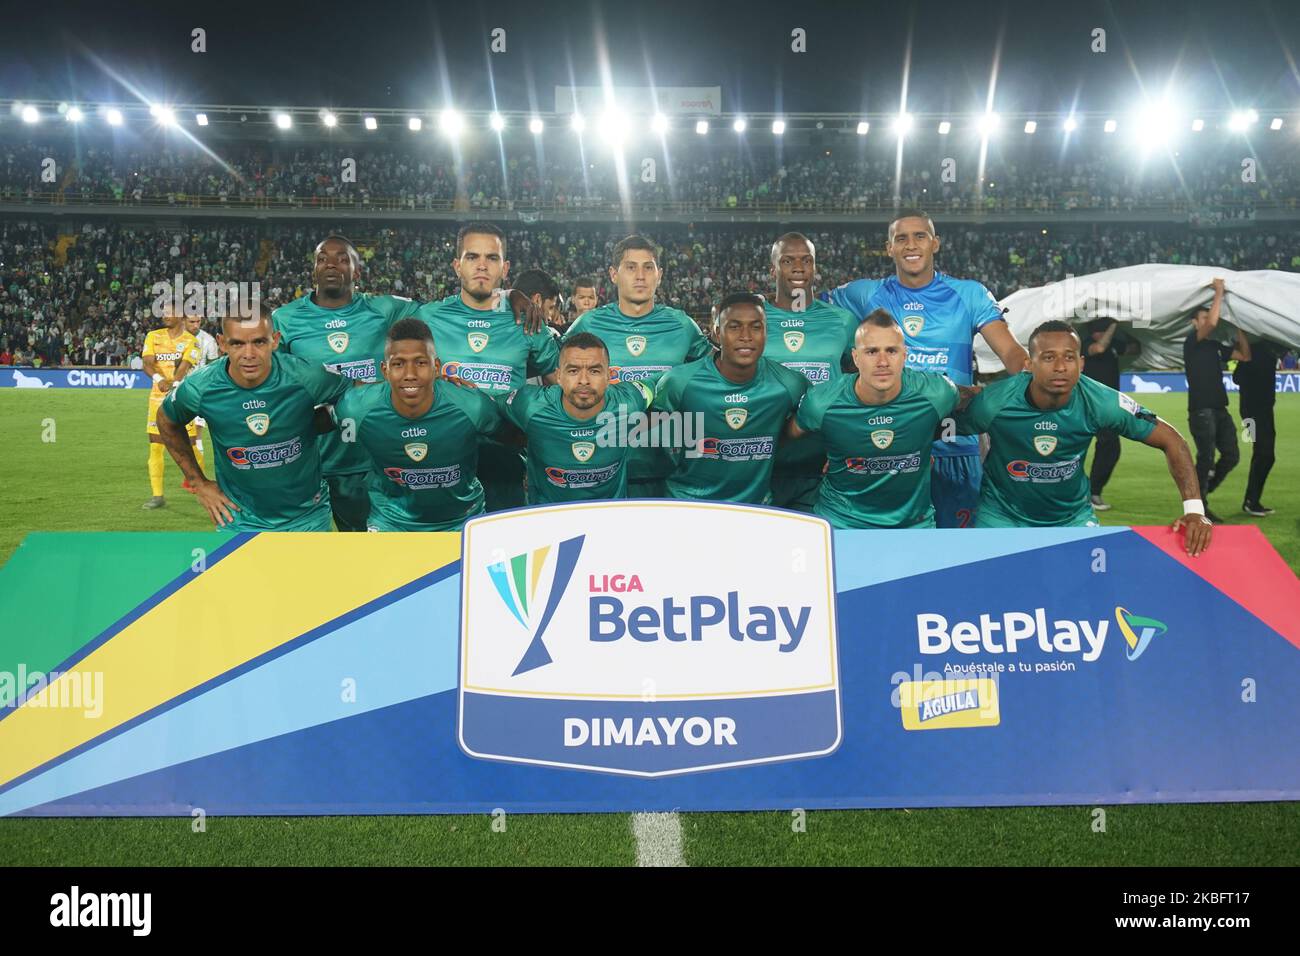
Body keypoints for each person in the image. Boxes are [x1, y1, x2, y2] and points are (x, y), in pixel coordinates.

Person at [828, 209, 1030, 527]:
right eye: (901, 238)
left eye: (920, 236)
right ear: (889, 248)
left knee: (956, 556)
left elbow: (1012, 353)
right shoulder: (864, 293)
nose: (911, 245)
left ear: (935, 243)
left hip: (954, 443)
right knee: (896, 554)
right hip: (890, 448)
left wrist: (1039, 383)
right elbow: (806, 308)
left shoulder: (969, 294)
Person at [961, 321, 1212, 556]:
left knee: (1083, 598)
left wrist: (1194, 511)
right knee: (995, 597)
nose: (1060, 366)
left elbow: (1172, 440)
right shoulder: (995, 402)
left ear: (1081, 364)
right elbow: (938, 429)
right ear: (1029, 364)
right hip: (1002, 517)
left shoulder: (1101, 402)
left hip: (1072, 519)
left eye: (1069, 357)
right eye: (1048, 357)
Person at [272, 234, 421, 531]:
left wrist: (508, 296)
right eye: (322, 258)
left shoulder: (385, 310)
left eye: (342, 258)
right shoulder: (284, 320)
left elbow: (449, 312)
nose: (331, 264)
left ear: (358, 271)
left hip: (369, 461)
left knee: (372, 555)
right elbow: (272, 387)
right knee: (302, 559)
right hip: (307, 460)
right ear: (313, 269)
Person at [157, 306, 351, 532]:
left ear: (275, 340)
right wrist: (198, 483)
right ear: (222, 343)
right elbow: (166, 420)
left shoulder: (304, 376)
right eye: (238, 343)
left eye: (259, 342)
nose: (249, 354)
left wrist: (317, 422)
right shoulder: (202, 387)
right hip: (238, 518)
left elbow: (353, 394)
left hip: (307, 515)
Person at [416, 224, 559, 511]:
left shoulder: (527, 321)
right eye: (472, 257)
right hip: (442, 462)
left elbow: (562, 388)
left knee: (504, 554)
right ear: (457, 265)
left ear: (505, 268)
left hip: (506, 462)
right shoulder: (429, 318)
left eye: (492, 258)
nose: (482, 266)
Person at [786, 310, 968, 528]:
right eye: (871, 352)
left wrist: (925, 441)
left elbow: (977, 404)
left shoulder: (938, 394)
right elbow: (788, 437)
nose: (883, 361)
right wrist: (829, 452)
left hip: (912, 525)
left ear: (905, 355)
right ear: (855, 357)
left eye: (891, 351)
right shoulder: (822, 403)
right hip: (841, 522)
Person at [564, 235, 712, 497]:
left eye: (648, 267)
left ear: (660, 274)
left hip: (669, 470)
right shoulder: (589, 325)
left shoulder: (682, 326)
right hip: (601, 466)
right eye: (631, 267)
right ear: (613, 274)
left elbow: (712, 379)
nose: (640, 276)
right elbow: (555, 378)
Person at [331, 319, 503, 531]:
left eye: (421, 363)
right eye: (398, 364)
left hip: (462, 520)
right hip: (391, 523)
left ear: (436, 367)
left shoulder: (473, 406)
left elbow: (509, 436)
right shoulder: (355, 408)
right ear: (385, 370)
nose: (410, 374)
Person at [654, 292, 808, 504]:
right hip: (688, 504)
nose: (746, 336)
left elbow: (822, 413)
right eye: (734, 327)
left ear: (766, 333)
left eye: (756, 327)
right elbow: (652, 436)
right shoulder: (680, 382)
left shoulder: (788, 384)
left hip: (755, 508)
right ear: (717, 334)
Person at [762, 232, 860, 512]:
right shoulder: (754, 321)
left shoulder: (842, 321)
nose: (798, 267)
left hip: (824, 460)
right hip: (766, 458)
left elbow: (859, 382)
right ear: (773, 269)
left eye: (806, 260)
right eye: (787, 260)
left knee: (821, 547)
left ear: (815, 267)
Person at [500, 332, 654, 503]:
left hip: (610, 518)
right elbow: (490, 406)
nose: (583, 380)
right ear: (558, 376)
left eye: (594, 371)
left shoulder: (629, 402)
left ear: (609, 376)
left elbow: (659, 386)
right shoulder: (530, 405)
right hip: (547, 520)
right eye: (573, 371)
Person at [1183, 278, 1249, 523]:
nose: (1206, 321)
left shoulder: (1214, 346)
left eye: (1205, 318)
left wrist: (1240, 328)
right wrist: (1219, 291)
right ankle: (1200, 507)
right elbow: (1211, 322)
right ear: (1193, 323)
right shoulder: (1192, 343)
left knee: (1231, 455)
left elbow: (1245, 355)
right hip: (1201, 410)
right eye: (1200, 318)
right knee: (1206, 457)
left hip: (1220, 410)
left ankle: (1204, 491)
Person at [141, 309, 203, 510]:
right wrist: (159, 380)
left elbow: (184, 366)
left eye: (170, 312)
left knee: (191, 444)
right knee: (155, 446)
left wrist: (174, 384)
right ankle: (157, 496)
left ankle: (201, 487)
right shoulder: (153, 336)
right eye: (164, 312)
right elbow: (147, 363)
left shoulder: (191, 341)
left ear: (182, 317)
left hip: (182, 399)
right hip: (156, 399)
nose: (165, 315)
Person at [1234, 336, 1279, 516]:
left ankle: (1251, 500)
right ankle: (1251, 501)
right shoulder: (1264, 353)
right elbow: (1239, 378)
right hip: (1256, 413)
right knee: (1265, 454)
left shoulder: (1256, 353)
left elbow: (1237, 378)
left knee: (1262, 453)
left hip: (1254, 413)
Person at [1081, 318, 1123, 511]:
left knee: (1110, 447)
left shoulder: (1113, 345)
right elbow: (1099, 348)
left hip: (1109, 405)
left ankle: (1092, 492)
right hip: (1092, 404)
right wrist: (1115, 325)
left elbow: (1135, 348)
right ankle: (1090, 494)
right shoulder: (1086, 343)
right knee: (1107, 445)